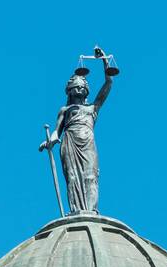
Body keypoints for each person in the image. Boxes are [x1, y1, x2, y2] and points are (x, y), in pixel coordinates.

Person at [39, 53, 115, 214]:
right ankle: (76, 210)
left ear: (86, 90)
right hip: (70, 141)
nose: (79, 89)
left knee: (90, 177)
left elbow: (108, 83)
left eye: (82, 87)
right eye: (76, 87)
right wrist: (50, 141)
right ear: (70, 91)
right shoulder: (65, 110)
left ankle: (91, 210)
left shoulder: (93, 108)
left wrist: (105, 62)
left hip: (87, 142)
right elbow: (56, 131)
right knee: (72, 178)